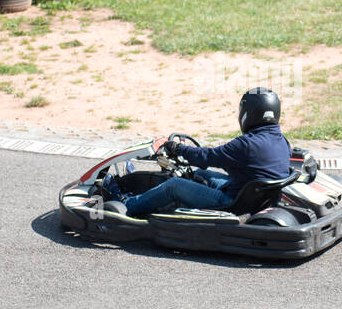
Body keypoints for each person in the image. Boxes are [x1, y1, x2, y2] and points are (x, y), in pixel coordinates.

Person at [107, 87, 291, 217]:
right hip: (255, 196)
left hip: (232, 203)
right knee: (201, 174)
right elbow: (246, 166)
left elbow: (207, 157)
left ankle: (129, 204)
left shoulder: (246, 144)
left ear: (248, 114)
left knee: (174, 185)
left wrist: (177, 148)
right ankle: (173, 202)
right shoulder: (282, 141)